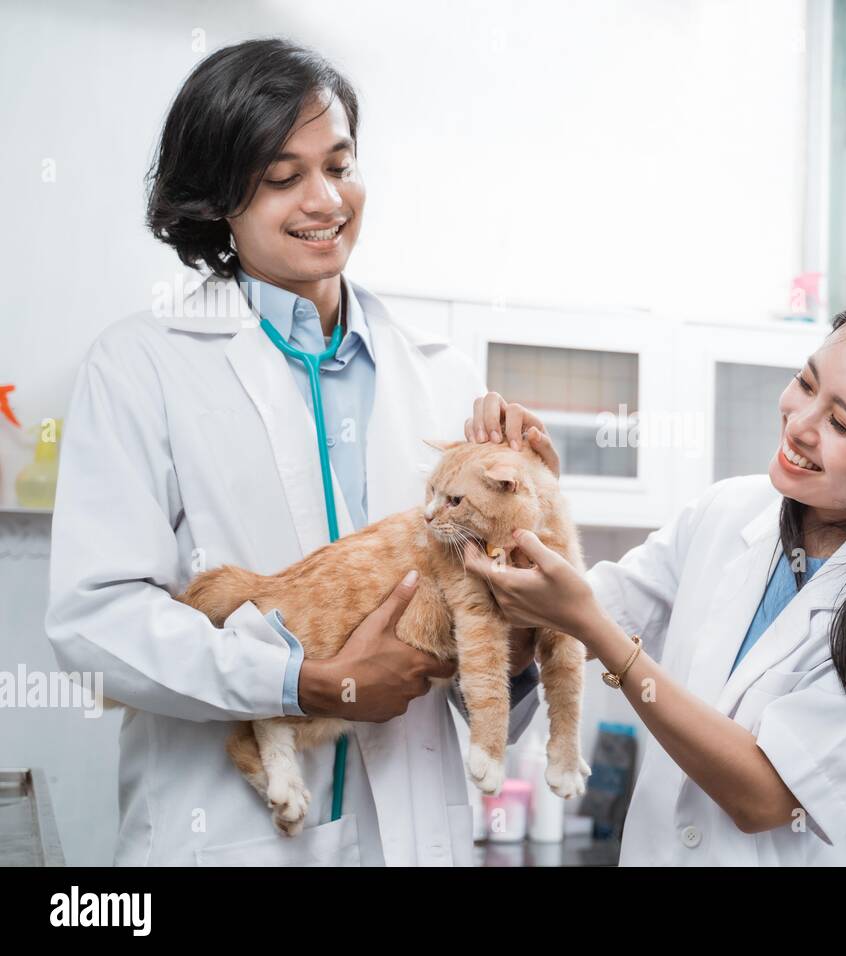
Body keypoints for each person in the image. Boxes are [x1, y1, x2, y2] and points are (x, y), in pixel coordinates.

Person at [45, 39, 539, 866]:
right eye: (282, 178)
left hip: (412, 837)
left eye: (339, 165)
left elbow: (480, 624)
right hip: (230, 835)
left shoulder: (442, 374)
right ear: (217, 200)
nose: (325, 199)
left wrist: (525, 611)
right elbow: (93, 622)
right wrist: (302, 682)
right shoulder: (142, 365)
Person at [463, 293, 846, 865]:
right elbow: (545, 634)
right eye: (805, 384)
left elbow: (765, 797)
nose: (799, 423)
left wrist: (594, 628)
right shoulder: (727, 512)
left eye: (840, 423)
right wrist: (530, 508)